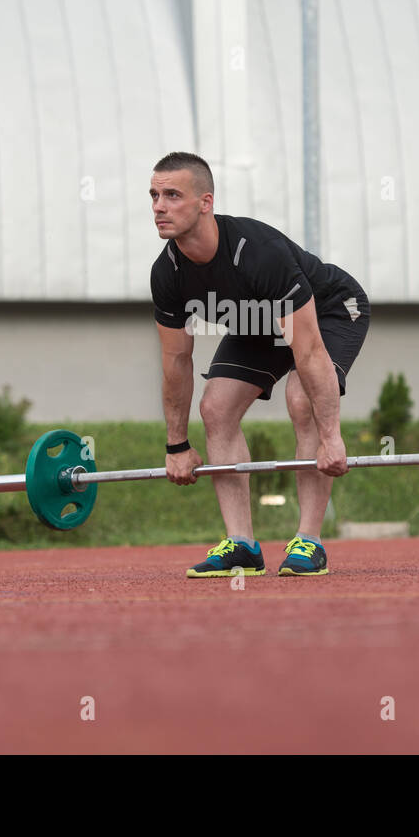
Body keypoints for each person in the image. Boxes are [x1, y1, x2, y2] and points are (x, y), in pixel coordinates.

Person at [148, 152, 370, 577]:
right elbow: (176, 361)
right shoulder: (168, 274)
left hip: (329, 310)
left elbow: (306, 352)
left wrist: (332, 437)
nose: (159, 206)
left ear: (205, 202)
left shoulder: (258, 253)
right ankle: (244, 547)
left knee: (301, 399)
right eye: (155, 195)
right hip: (259, 323)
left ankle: (309, 541)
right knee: (216, 409)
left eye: (173, 195)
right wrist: (176, 445)